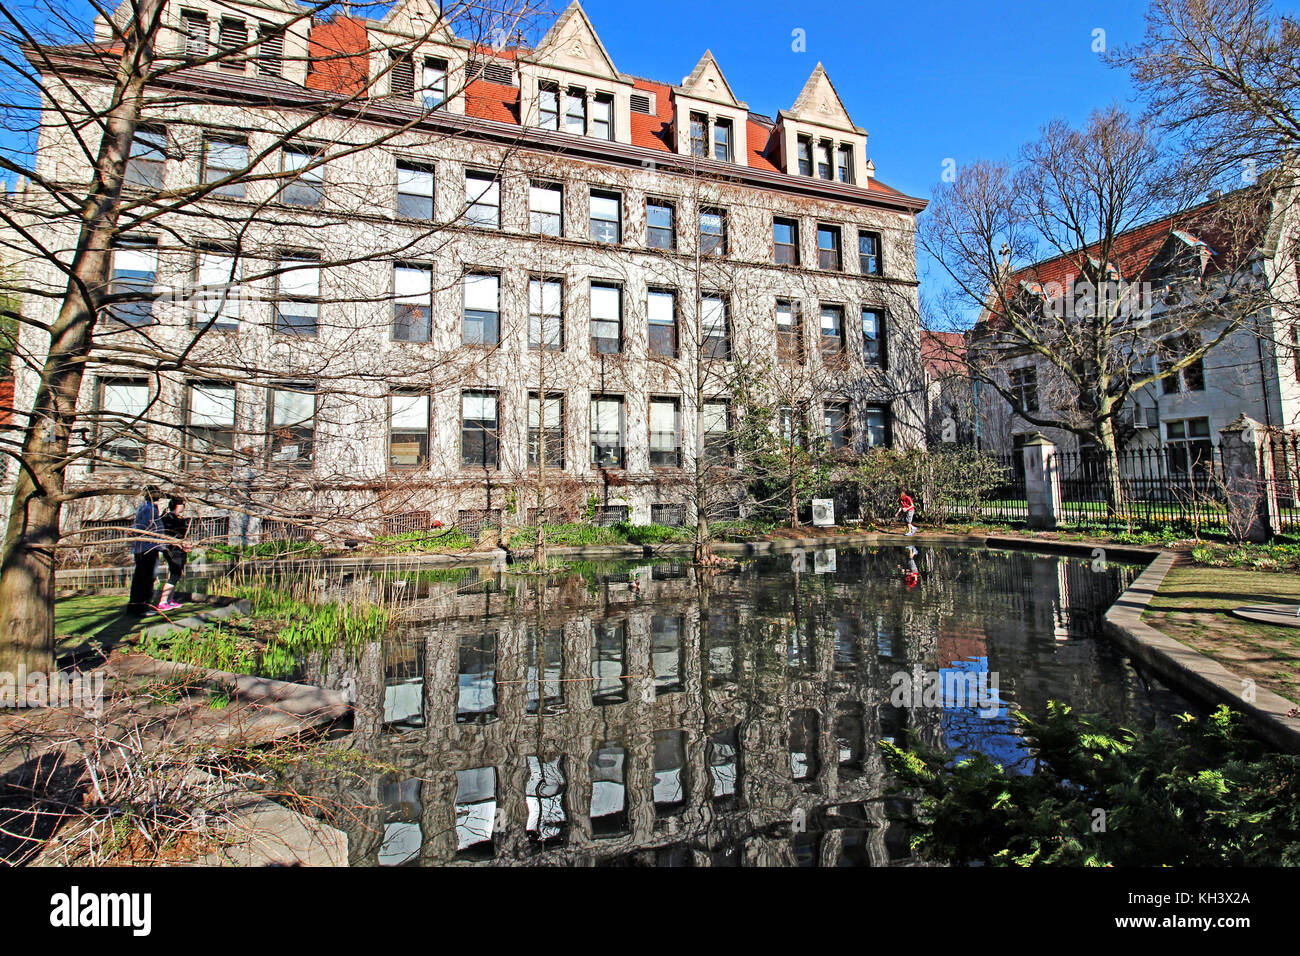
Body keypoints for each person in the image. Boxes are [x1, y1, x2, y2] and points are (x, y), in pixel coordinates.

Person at [127, 485, 164, 612]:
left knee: (140, 578)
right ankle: (141, 606)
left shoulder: (145, 507)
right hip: (147, 548)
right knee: (146, 578)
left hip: (143, 547)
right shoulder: (149, 509)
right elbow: (144, 527)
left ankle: (136, 605)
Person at [157, 496, 192, 612]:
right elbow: (169, 536)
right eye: (183, 504)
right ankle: (163, 601)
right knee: (174, 574)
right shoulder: (168, 518)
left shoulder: (179, 518)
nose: (184, 506)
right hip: (173, 550)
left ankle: (170, 600)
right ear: (177, 505)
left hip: (180, 549)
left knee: (177, 574)